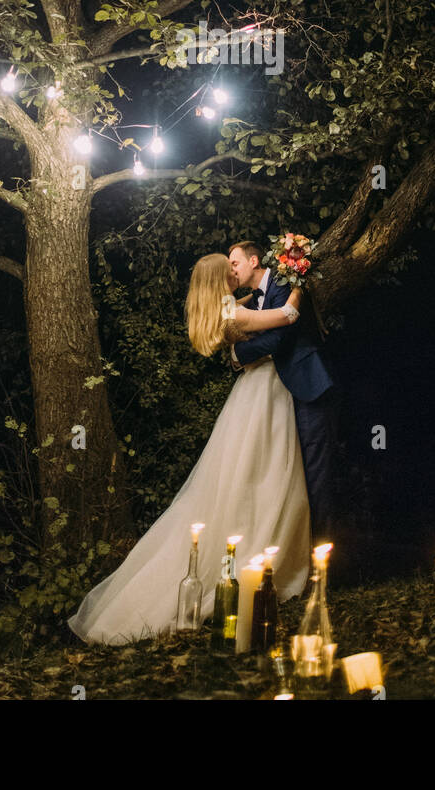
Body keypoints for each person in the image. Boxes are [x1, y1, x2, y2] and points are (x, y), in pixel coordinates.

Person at [67, 252, 311, 645]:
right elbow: (287, 316)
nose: (235, 272)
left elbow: (252, 307)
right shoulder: (232, 311)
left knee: (249, 470)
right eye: (229, 270)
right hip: (261, 393)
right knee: (263, 469)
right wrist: (299, 280)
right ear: (221, 279)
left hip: (254, 391)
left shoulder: (226, 307)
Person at [226, 242, 337, 545]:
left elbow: (279, 340)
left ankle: (322, 555)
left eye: (235, 263)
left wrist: (238, 354)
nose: (231, 270)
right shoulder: (252, 300)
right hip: (279, 396)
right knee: (291, 475)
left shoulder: (283, 282)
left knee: (316, 475)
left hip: (308, 386)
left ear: (253, 260)